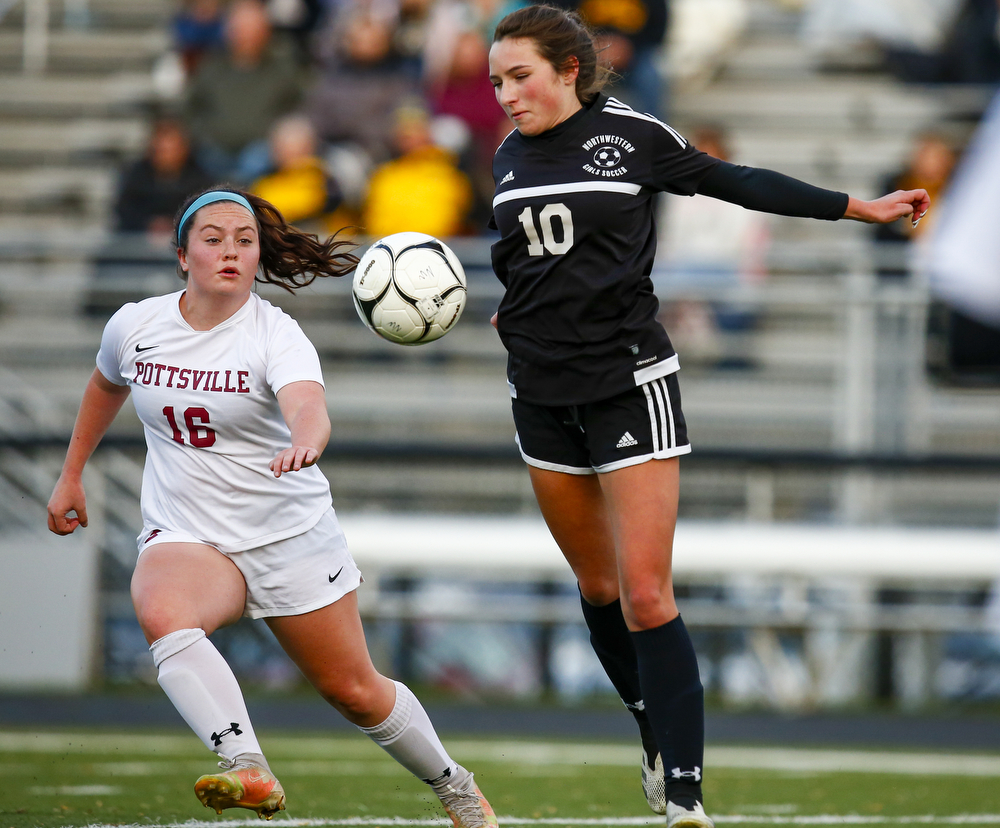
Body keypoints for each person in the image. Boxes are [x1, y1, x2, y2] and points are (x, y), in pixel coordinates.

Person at [486, 6, 929, 828]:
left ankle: (685, 793)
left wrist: (855, 207)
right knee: (599, 586)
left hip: (628, 382)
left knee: (648, 596)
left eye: (520, 76)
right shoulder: (508, 156)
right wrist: (509, 309)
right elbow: (519, 260)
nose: (507, 95)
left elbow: (738, 181)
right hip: (538, 392)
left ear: (569, 70)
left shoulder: (630, 135)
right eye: (498, 82)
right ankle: (652, 728)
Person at [47, 187, 498, 827]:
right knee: (162, 608)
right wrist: (71, 475)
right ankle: (245, 763)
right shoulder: (135, 325)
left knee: (355, 692)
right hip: (190, 533)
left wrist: (306, 442)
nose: (230, 250)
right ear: (182, 256)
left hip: (287, 537)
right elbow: (104, 384)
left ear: (259, 256)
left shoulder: (276, 334)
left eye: (244, 240)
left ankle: (455, 785)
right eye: (213, 239)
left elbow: (308, 408)